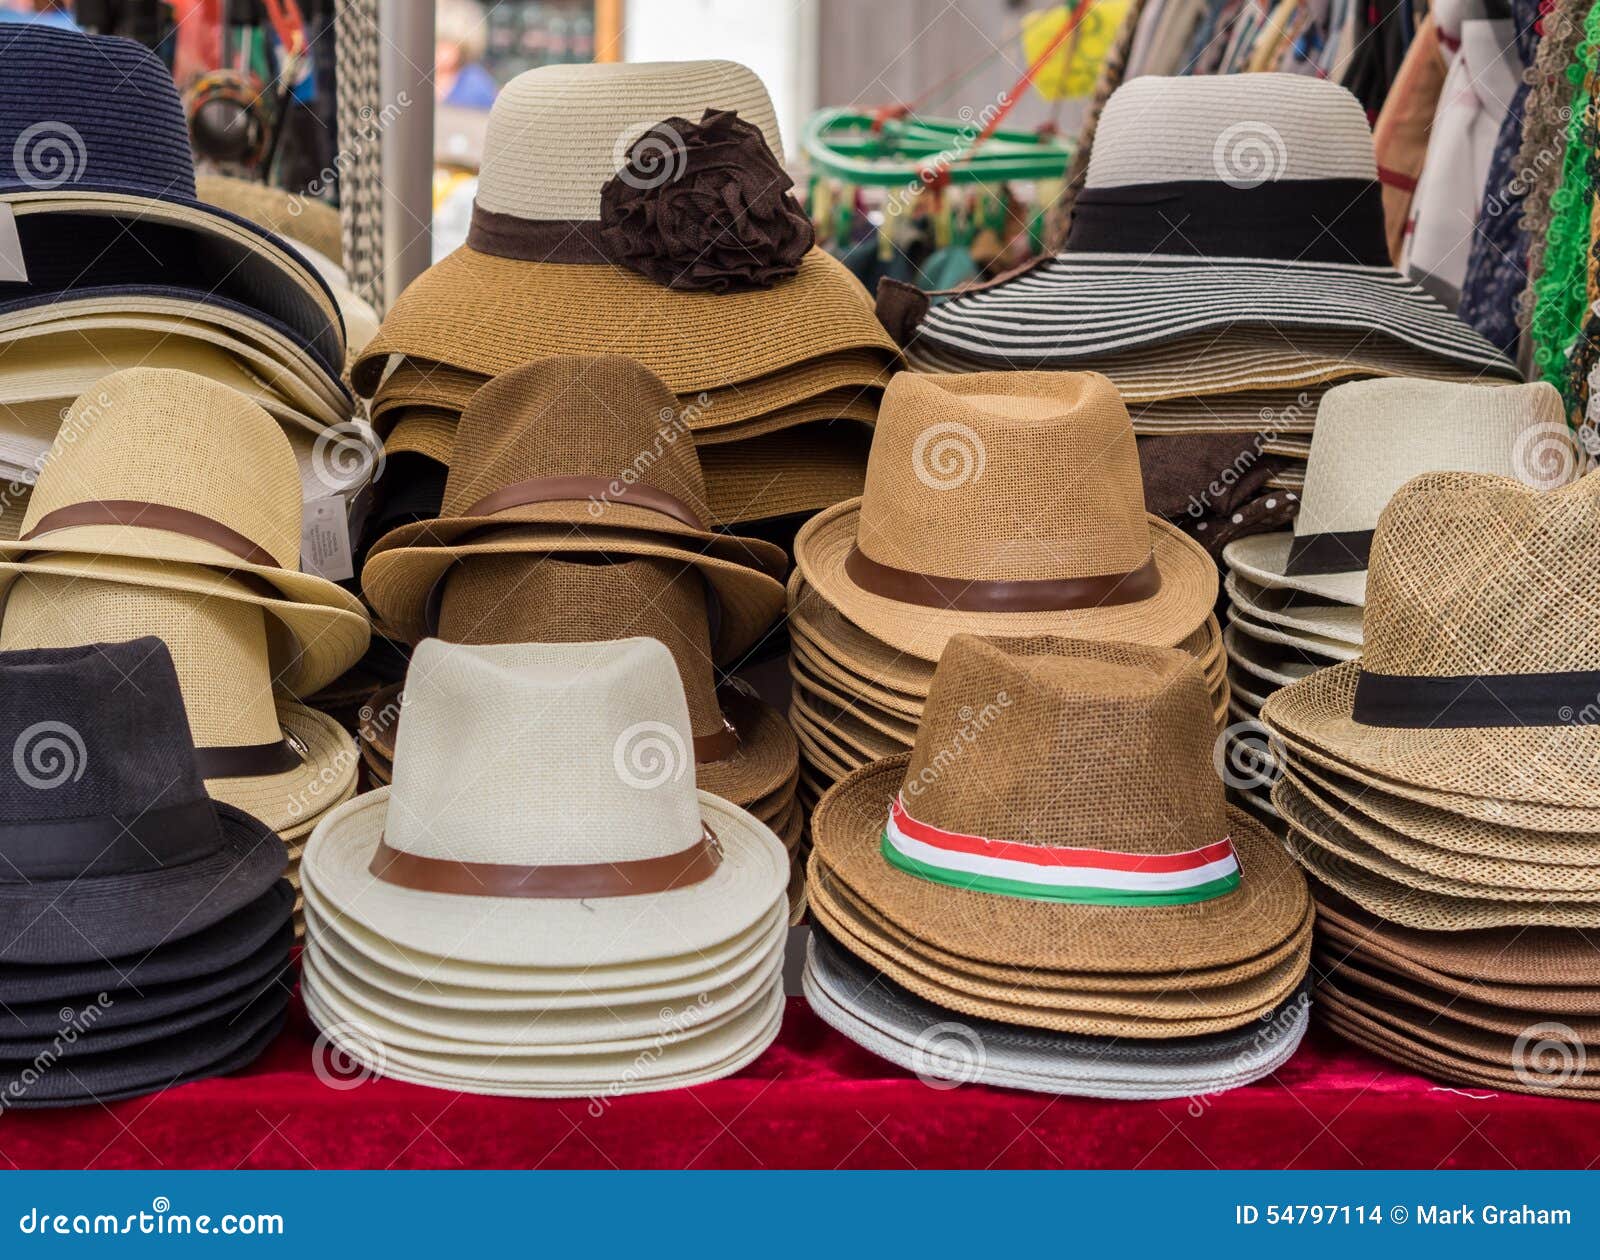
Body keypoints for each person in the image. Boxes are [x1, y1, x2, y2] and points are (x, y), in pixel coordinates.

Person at [435, 0, 498, 110]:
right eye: (435, 41)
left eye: (447, 43)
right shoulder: (414, 78)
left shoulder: (476, 86)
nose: (438, 49)